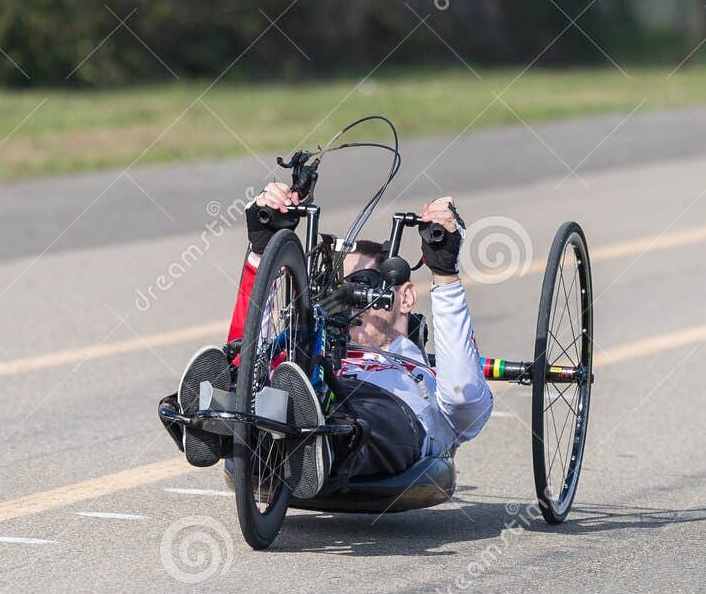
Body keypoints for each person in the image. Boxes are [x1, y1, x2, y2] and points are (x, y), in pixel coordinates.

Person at [175, 181, 493, 498]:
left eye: (360, 285)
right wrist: (261, 250)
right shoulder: (299, 359)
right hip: (305, 390)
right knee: (254, 378)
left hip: (383, 412)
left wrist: (445, 273)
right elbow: (246, 357)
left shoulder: (422, 379)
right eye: (333, 290)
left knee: (363, 417)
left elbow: (465, 399)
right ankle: (216, 419)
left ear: (405, 298)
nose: (346, 299)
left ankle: (317, 441)